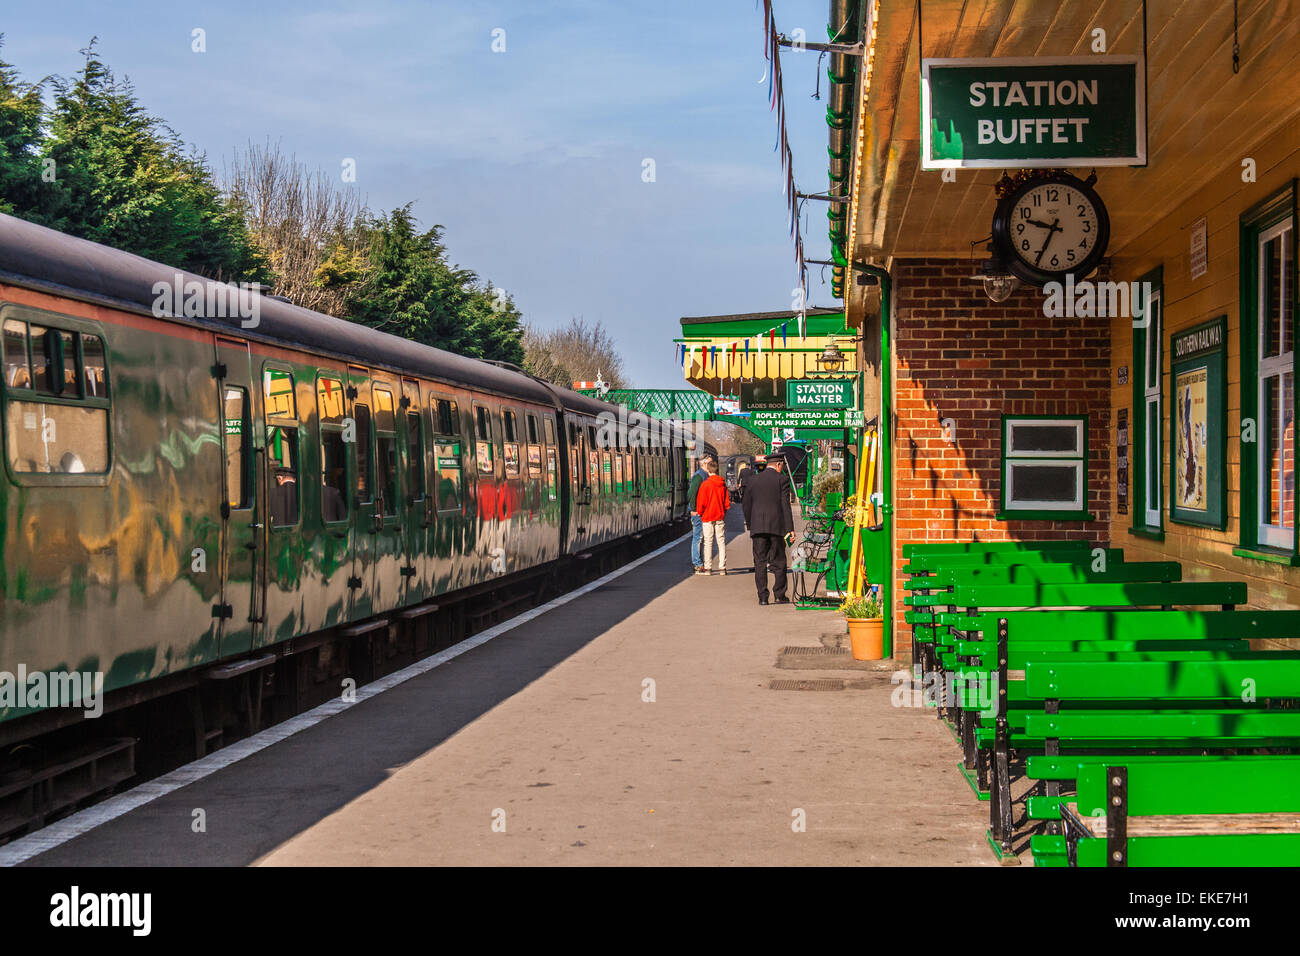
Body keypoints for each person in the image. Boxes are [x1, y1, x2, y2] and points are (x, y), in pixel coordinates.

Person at [742, 451, 795, 605]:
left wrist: (750, 524)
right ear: (778, 464)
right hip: (776, 527)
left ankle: (763, 597)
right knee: (779, 562)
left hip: (758, 528)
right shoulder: (782, 480)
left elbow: (746, 505)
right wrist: (790, 528)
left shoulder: (753, 480)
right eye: (782, 466)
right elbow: (785, 506)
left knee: (759, 562)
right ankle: (779, 595)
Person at [696, 459, 729, 574]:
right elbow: (726, 503)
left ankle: (708, 568)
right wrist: (723, 512)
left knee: (708, 542)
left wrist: (700, 513)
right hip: (719, 516)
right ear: (717, 470)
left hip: (707, 517)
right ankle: (722, 568)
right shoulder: (722, 484)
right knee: (721, 541)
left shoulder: (705, 485)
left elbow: (701, 502)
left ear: (708, 471)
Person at [687, 454, 712, 574]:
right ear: (704, 464)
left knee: (701, 537)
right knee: (698, 537)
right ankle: (697, 563)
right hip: (698, 512)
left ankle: (699, 562)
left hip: (703, 511)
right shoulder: (699, 476)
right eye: (709, 463)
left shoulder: (704, 475)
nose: (711, 466)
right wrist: (694, 508)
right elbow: (691, 493)